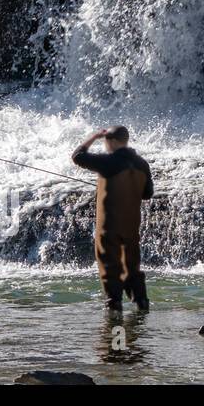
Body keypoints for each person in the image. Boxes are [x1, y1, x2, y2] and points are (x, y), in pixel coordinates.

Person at [71, 126, 153, 311]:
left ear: (113, 142)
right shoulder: (142, 164)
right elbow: (147, 194)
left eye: (106, 141)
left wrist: (93, 137)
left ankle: (115, 318)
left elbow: (77, 156)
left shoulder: (109, 162)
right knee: (132, 269)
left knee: (110, 269)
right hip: (131, 228)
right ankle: (141, 308)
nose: (105, 145)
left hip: (109, 227)